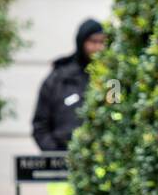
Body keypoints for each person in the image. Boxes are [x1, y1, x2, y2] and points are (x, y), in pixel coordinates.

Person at [31, 17, 105, 152]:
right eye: (93, 41)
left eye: (102, 42)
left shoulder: (112, 80)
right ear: (81, 42)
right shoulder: (58, 77)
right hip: (62, 159)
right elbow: (40, 125)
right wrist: (55, 154)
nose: (98, 47)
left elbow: (118, 116)